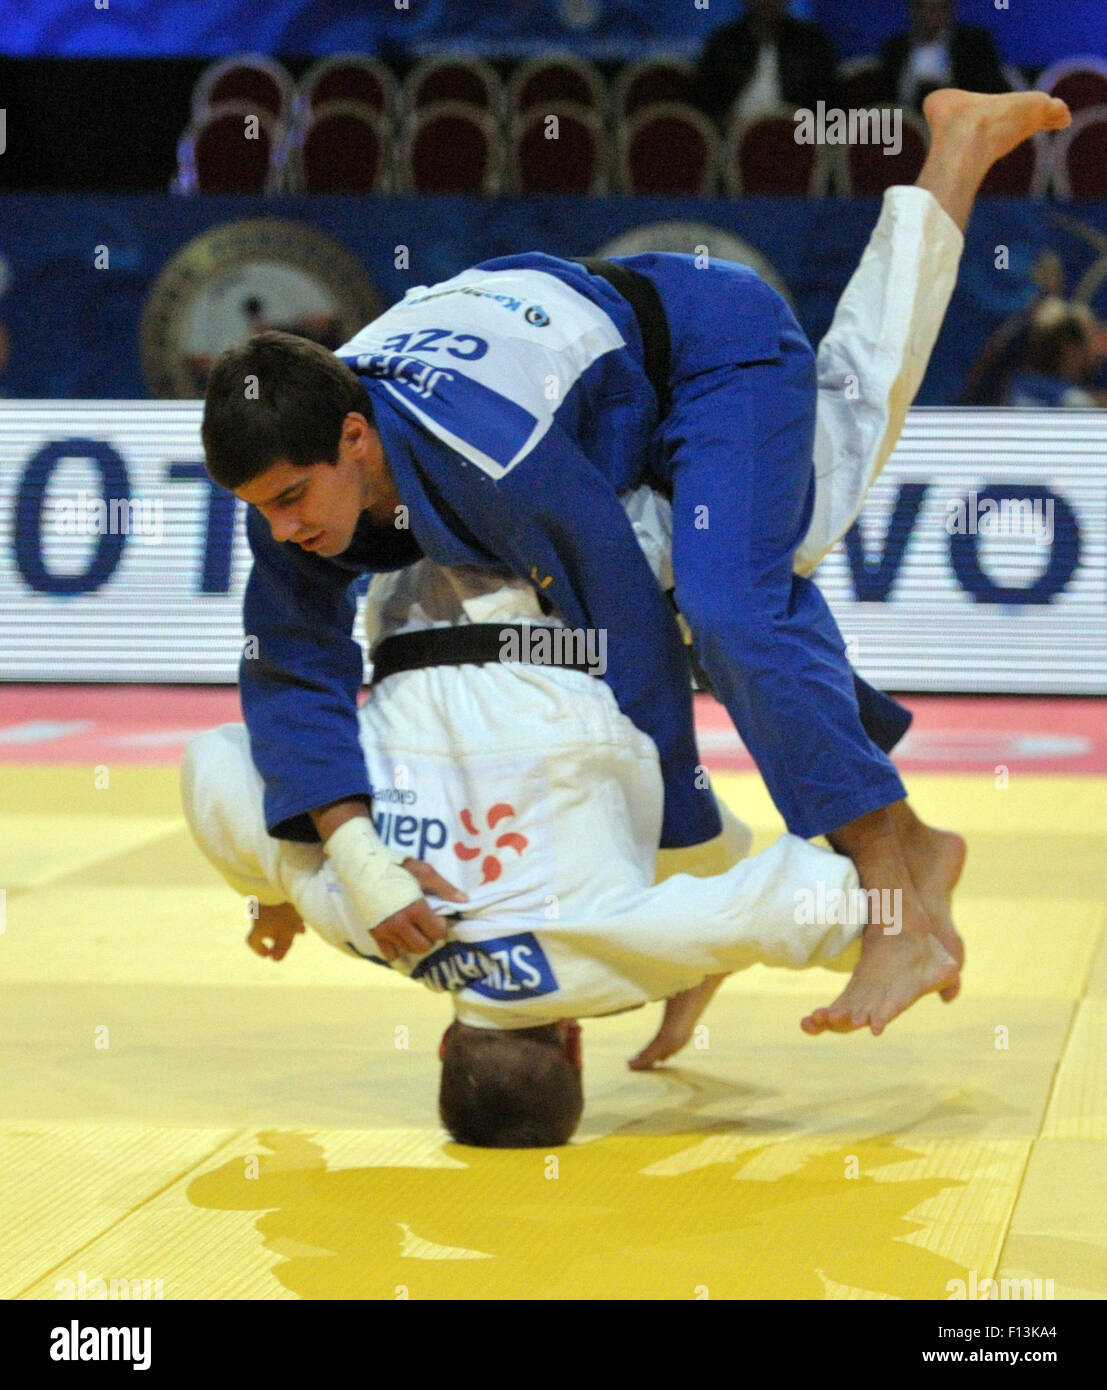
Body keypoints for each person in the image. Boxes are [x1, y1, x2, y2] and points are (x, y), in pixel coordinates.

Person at [199, 90, 1071, 1043]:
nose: (280, 530)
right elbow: (289, 669)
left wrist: (684, 865)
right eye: (259, 509)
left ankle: (895, 897)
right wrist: (353, 855)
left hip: (711, 356)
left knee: (735, 601)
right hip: (595, 396)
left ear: (356, 439)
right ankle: (911, 843)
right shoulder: (297, 475)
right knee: (754, 556)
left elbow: (632, 645)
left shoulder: (491, 458)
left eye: (288, 500)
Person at [689, 0, 840, 126]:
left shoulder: (813, 43)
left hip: (798, 137)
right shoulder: (723, 42)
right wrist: (724, 121)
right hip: (732, 138)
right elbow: (702, 102)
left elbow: (829, 103)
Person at [877, 1, 1007, 112]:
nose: (931, 16)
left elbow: (991, 94)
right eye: (923, 8)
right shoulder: (895, 49)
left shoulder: (975, 45)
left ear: (951, 10)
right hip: (910, 131)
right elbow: (884, 100)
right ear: (912, 10)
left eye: (939, 8)